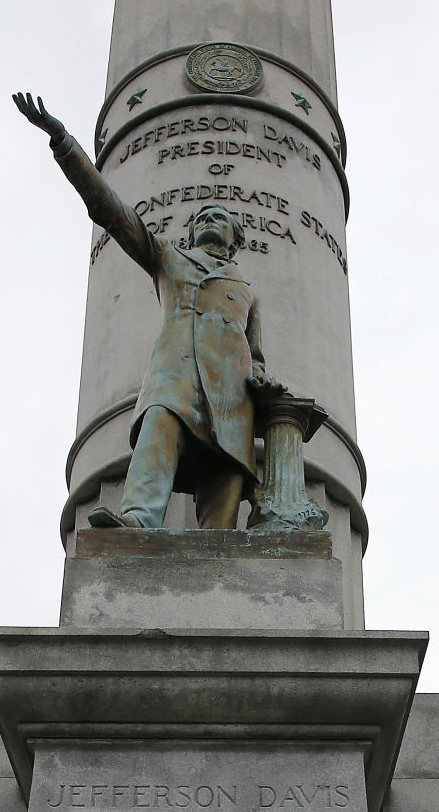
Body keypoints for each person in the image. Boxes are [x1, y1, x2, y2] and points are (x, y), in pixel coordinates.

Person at [14, 91, 271, 529]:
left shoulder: (246, 291)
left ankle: (220, 556)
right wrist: (64, 144)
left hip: (232, 397)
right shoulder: (170, 258)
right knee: (157, 433)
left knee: (223, 502)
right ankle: (136, 521)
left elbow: (256, 354)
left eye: (218, 217)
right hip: (175, 376)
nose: (208, 220)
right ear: (190, 235)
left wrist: (261, 375)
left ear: (234, 240)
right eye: (201, 218)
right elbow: (112, 213)